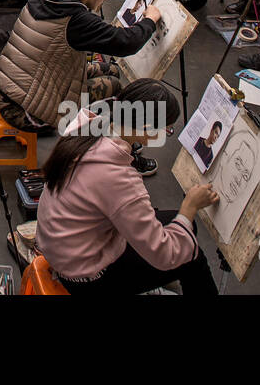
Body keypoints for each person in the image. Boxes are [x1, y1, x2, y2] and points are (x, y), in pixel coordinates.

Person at [36, 79, 219, 295]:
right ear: (146, 128)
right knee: (193, 256)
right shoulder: (119, 178)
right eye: (167, 129)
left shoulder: (88, 126)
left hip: (61, 248)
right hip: (85, 277)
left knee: (180, 225)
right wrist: (190, 206)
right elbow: (164, 253)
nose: (166, 134)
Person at [0, 0, 161, 143]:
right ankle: (111, 149)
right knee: (114, 87)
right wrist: (150, 20)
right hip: (26, 111)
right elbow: (126, 42)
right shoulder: (76, 19)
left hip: (9, 87)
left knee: (111, 69)